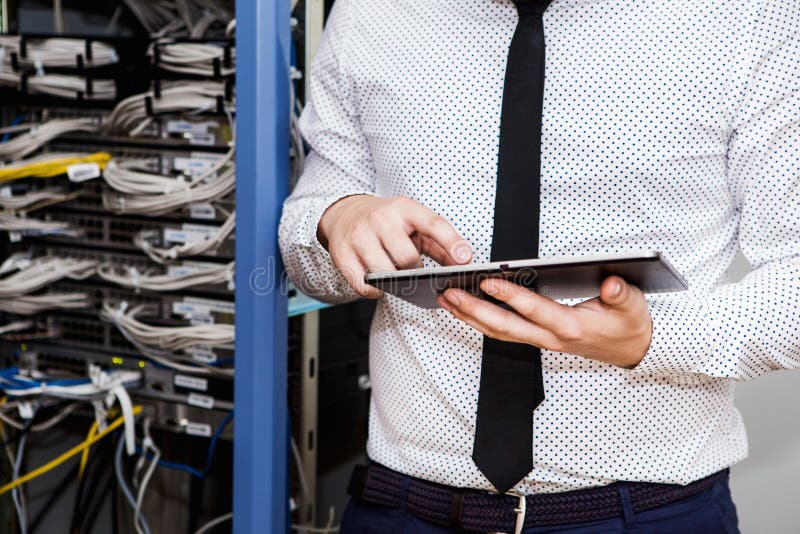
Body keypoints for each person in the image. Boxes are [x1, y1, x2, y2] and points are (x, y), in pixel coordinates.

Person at [279, 0, 800, 532]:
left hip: (648, 514)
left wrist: (653, 337)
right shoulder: (370, 12)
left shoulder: (751, 15)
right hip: (403, 508)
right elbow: (305, 252)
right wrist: (336, 219)